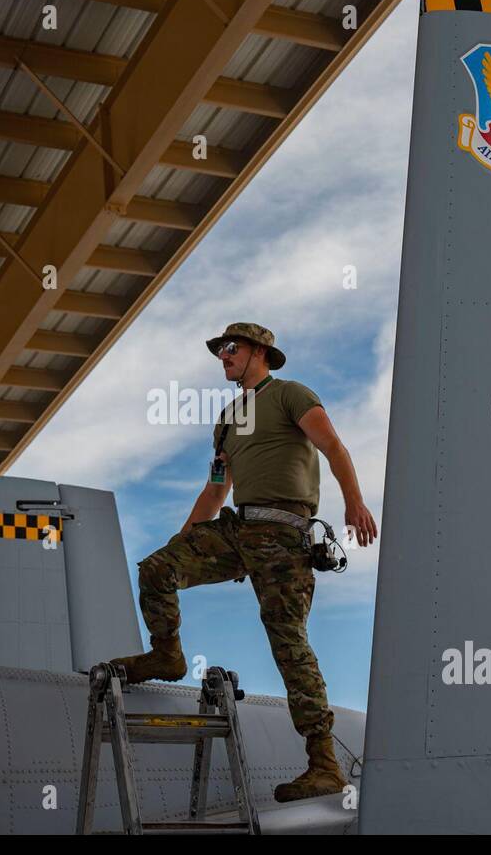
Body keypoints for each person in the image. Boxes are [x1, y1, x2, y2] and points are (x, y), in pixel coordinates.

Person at [111, 323, 378, 803]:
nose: (223, 356)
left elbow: (333, 447)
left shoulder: (292, 396)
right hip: (238, 530)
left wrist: (354, 504)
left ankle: (324, 765)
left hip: (285, 533)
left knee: (287, 639)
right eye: (219, 350)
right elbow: (217, 488)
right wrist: (184, 540)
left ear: (259, 352)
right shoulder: (228, 419)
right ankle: (167, 656)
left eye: (230, 348)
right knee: (155, 569)